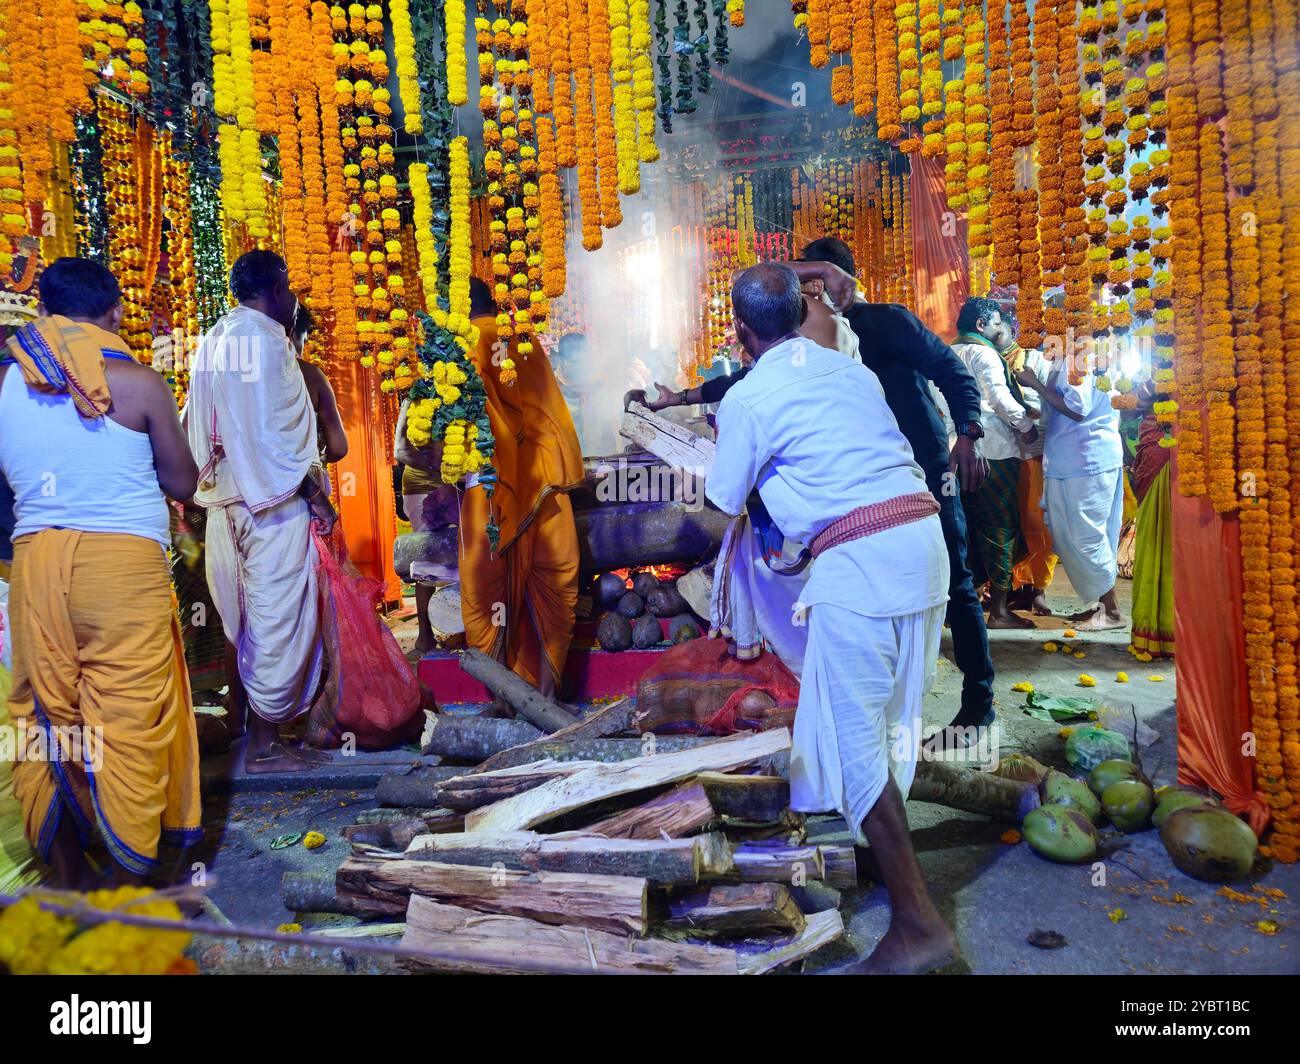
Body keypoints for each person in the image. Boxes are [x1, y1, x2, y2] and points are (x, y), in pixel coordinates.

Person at [641, 237, 996, 734]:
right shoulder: (822, 355)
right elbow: (751, 368)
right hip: (872, 512)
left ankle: (978, 701)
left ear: (832, 287)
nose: (811, 300)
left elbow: (952, 372)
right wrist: (681, 397)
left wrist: (970, 434)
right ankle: (878, 746)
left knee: (956, 587)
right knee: (884, 694)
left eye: (815, 286)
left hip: (920, 471)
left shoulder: (883, 325)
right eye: (804, 289)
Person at [707, 264, 955, 974]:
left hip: (863, 568)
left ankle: (918, 924)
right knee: (882, 726)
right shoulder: (852, 370)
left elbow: (720, 504)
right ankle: (885, 858)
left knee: (850, 746)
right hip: (921, 547)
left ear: (742, 331)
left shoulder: (750, 398)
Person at [0, 257, 201, 885]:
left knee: (41, 713)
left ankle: (65, 878)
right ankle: (129, 876)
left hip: (34, 564)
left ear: (41, 310)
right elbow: (183, 482)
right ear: (115, 310)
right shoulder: (139, 384)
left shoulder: (3, 384)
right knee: (128, 717)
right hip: (121, 571)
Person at [184, 250, 336, 772]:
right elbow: (280, 440)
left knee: (244, 621)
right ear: (277, 287)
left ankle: (250, 733)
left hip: (225, 505)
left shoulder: (213, 339)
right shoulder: (270, 344)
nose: (293, 301)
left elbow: (195, 426)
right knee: (277, 621)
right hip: (271, 507)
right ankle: (265, 747)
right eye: (290, 288)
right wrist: (318, 497)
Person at [460, 278, 584, 701]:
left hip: (494, 490)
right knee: (553, 588)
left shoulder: (460, 345)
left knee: (489, 595)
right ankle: (546, 695)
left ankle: (503, 700)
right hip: (547, 485)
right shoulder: (522, 335)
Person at [1017, 354, 1127, 630]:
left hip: (1084, 459)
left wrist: (1035, 384)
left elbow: (1078, 408)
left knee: (1086, 536)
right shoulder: (1086, 352)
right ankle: (1099, 605)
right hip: (1083, 457)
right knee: (1088, 535)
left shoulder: (1078, 355)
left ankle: (1111, 611)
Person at [950, 296, 1038, 628]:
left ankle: (960, 606)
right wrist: (1026, 426)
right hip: (993, 451)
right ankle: (999, 611)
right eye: (998, 323)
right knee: (999, 527)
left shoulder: (946, 352)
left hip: (953, 453)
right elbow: (998, 398)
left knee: (965, 529)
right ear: (981, 325)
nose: (1001, 330)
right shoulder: (983, 352)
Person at [393, 395, 460, 655]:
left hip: (457, 483)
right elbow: (401, 451)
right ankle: (424, 636)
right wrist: (435, 466)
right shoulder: (414, 400)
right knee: (428, 560)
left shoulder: (461, 393)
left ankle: (466, 628)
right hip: (422, 486)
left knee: (469, 553)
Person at [1008, 324, 1058, 615]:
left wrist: (1027, 418)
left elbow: (1048, 407)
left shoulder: (1037, 361)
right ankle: (1018, 588)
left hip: (1036, 451)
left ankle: (1039, 589)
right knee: (1013, 523)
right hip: (1005, 453)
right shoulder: (988, 358)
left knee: (1038, 524)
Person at [1128, 380, 1174, 656]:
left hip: (1183, 450)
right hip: (1157, 452)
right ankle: (1159, 629)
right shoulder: (1158, 364)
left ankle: (1172, 628)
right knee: (1157, 540)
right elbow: (1133, 406)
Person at [291, 304, 349, 464]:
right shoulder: (311, 375)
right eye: (304, 339)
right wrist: (319, 459)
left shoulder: (246, 375)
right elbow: (338, 447)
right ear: (293, 334)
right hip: (304, 481)